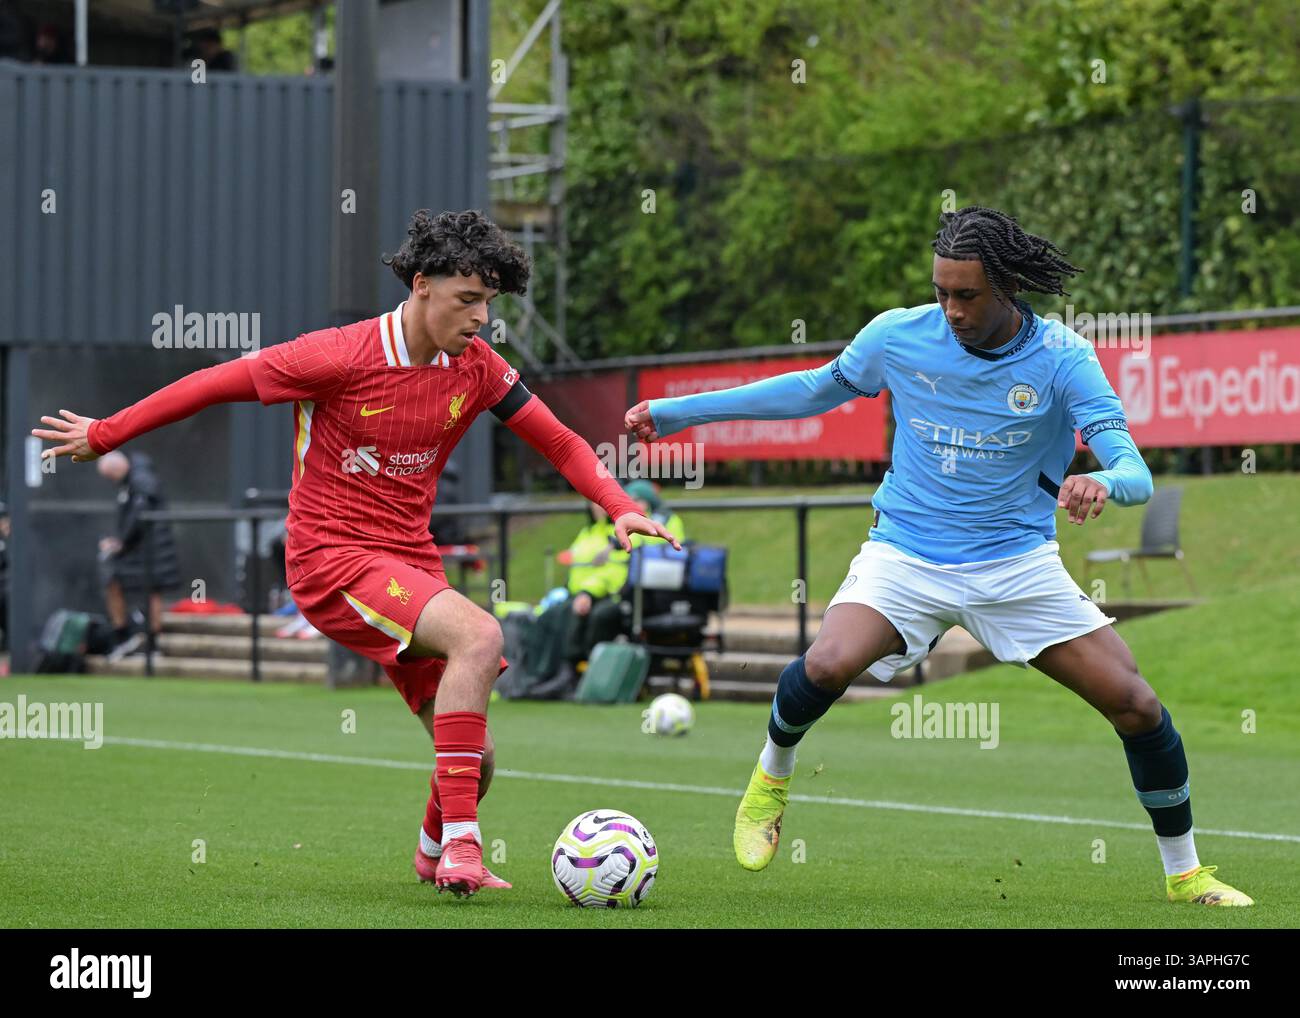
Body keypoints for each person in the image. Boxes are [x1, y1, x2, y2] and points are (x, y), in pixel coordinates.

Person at [35, 208, 679, 899]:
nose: (481, 319)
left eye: (488, 303)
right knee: (481, 636)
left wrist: (620, 506)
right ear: (422, 285)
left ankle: (433, 852)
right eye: (468, 301)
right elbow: (212, 384)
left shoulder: (478, 369)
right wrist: (107, 432)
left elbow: (560, 442)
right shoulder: (337, 355)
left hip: (410, 567)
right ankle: (466, 849)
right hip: (331, 559)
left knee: (473, 760)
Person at [625, 205, 1252, 907]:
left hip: (1015, 565)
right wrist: (681, 415)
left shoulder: (1063, 359)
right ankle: (770, 780)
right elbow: (810, 391)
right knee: (827, 664)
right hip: (907, 554)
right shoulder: (898, 336)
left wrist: (1099, 479)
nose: (951, 309)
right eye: (941, 292)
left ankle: (1186, 873)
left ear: (1008, 286)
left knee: (1136, 705)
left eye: (967, 295)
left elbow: (1134, 471)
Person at [96, 451, 183, 659]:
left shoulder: (141, 480)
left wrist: (121, 543)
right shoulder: (134, 480)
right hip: (139, 547)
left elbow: (139, 514)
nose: (111, 481)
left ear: (116, 469)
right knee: (115, 582)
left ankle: (149, 643)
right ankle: (128, 636)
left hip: (150, 548)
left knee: (150, 590)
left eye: (110, 476)